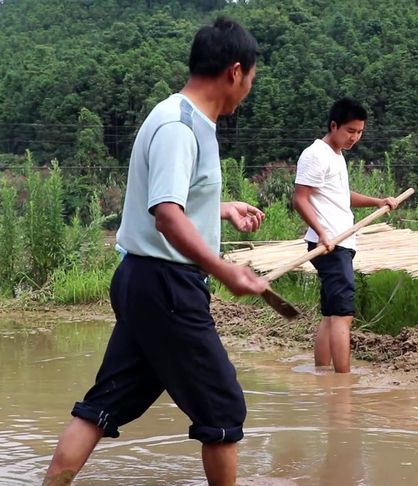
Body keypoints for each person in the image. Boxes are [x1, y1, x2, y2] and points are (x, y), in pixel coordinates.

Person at [43, 18, 267, 486]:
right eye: (250, 79)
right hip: (166, 284)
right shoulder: (179, 125)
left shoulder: (183, 119)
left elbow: (175, 200)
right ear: (234, 71)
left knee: (104, 405)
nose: (248, 89)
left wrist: (219, 209)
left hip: (147, 282)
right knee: (223, 408)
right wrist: (225, 270)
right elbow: (166, 214)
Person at [292, 98, 397, 374]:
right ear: (334, 125)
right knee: (342, 316)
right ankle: (342, 384)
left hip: (338, 243)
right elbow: (300, 199)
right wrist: (324, 233)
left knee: (331, 315)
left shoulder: (336, 156)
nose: (355, 137)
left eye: (360, 132)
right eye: (350, 131)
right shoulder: (316, 154)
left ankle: (322, 375)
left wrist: (377, 201)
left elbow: (341, 196)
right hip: (331, 246)